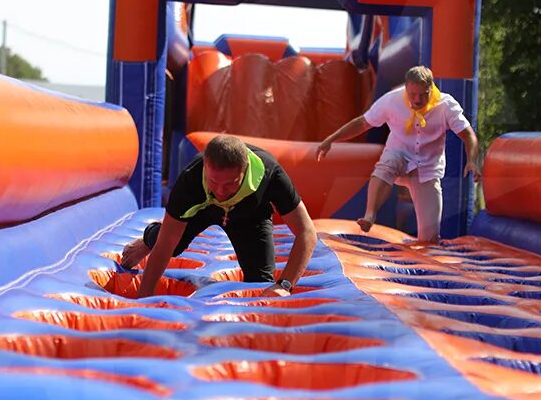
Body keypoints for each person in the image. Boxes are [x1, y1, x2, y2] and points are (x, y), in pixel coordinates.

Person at [121, 135, 317, 298]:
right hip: (203, 208)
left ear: (245, 168)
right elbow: (165, 245)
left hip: (250, 214)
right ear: (205, 166)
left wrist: (284, 285)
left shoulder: (271, 174)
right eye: (214, 182)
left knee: (259, 281)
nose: (221, 191)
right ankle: (148, 237)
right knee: (173, 244)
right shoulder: (191, 179)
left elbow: (306, 232)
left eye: (231, 183)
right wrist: (143, 301)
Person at [317, 66, 480, 243]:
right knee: (387, 163)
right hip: (399, 156)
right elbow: (363, 123)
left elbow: (468, 134)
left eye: (423, 94)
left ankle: (426, 246)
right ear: (406, 88)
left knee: (430, 237)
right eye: (413, 94)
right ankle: (370, 214)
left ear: (431, 88)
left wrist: (472, 160)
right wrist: (333, 138)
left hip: (427, 169)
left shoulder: (446, 105)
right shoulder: (392, 101)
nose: (417, 100)